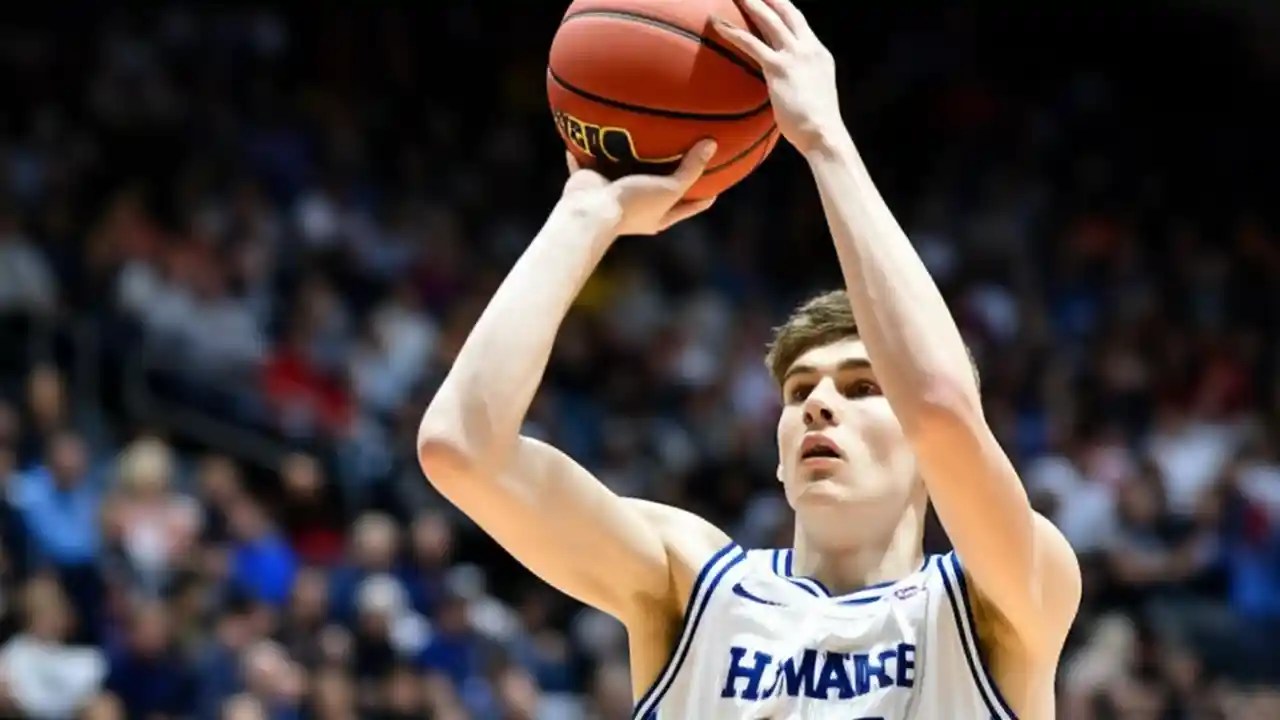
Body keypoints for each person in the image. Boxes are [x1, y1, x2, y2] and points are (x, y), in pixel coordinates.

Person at [417, 0, 1081, 717]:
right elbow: (461, 447)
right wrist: (585, 214)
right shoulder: (692, 584)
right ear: (778, 449)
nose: (819, 404)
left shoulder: (1000, 603)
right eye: (799, 393)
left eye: (862, 388)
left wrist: (825, 141)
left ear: (934, 459)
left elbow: (943, 408)